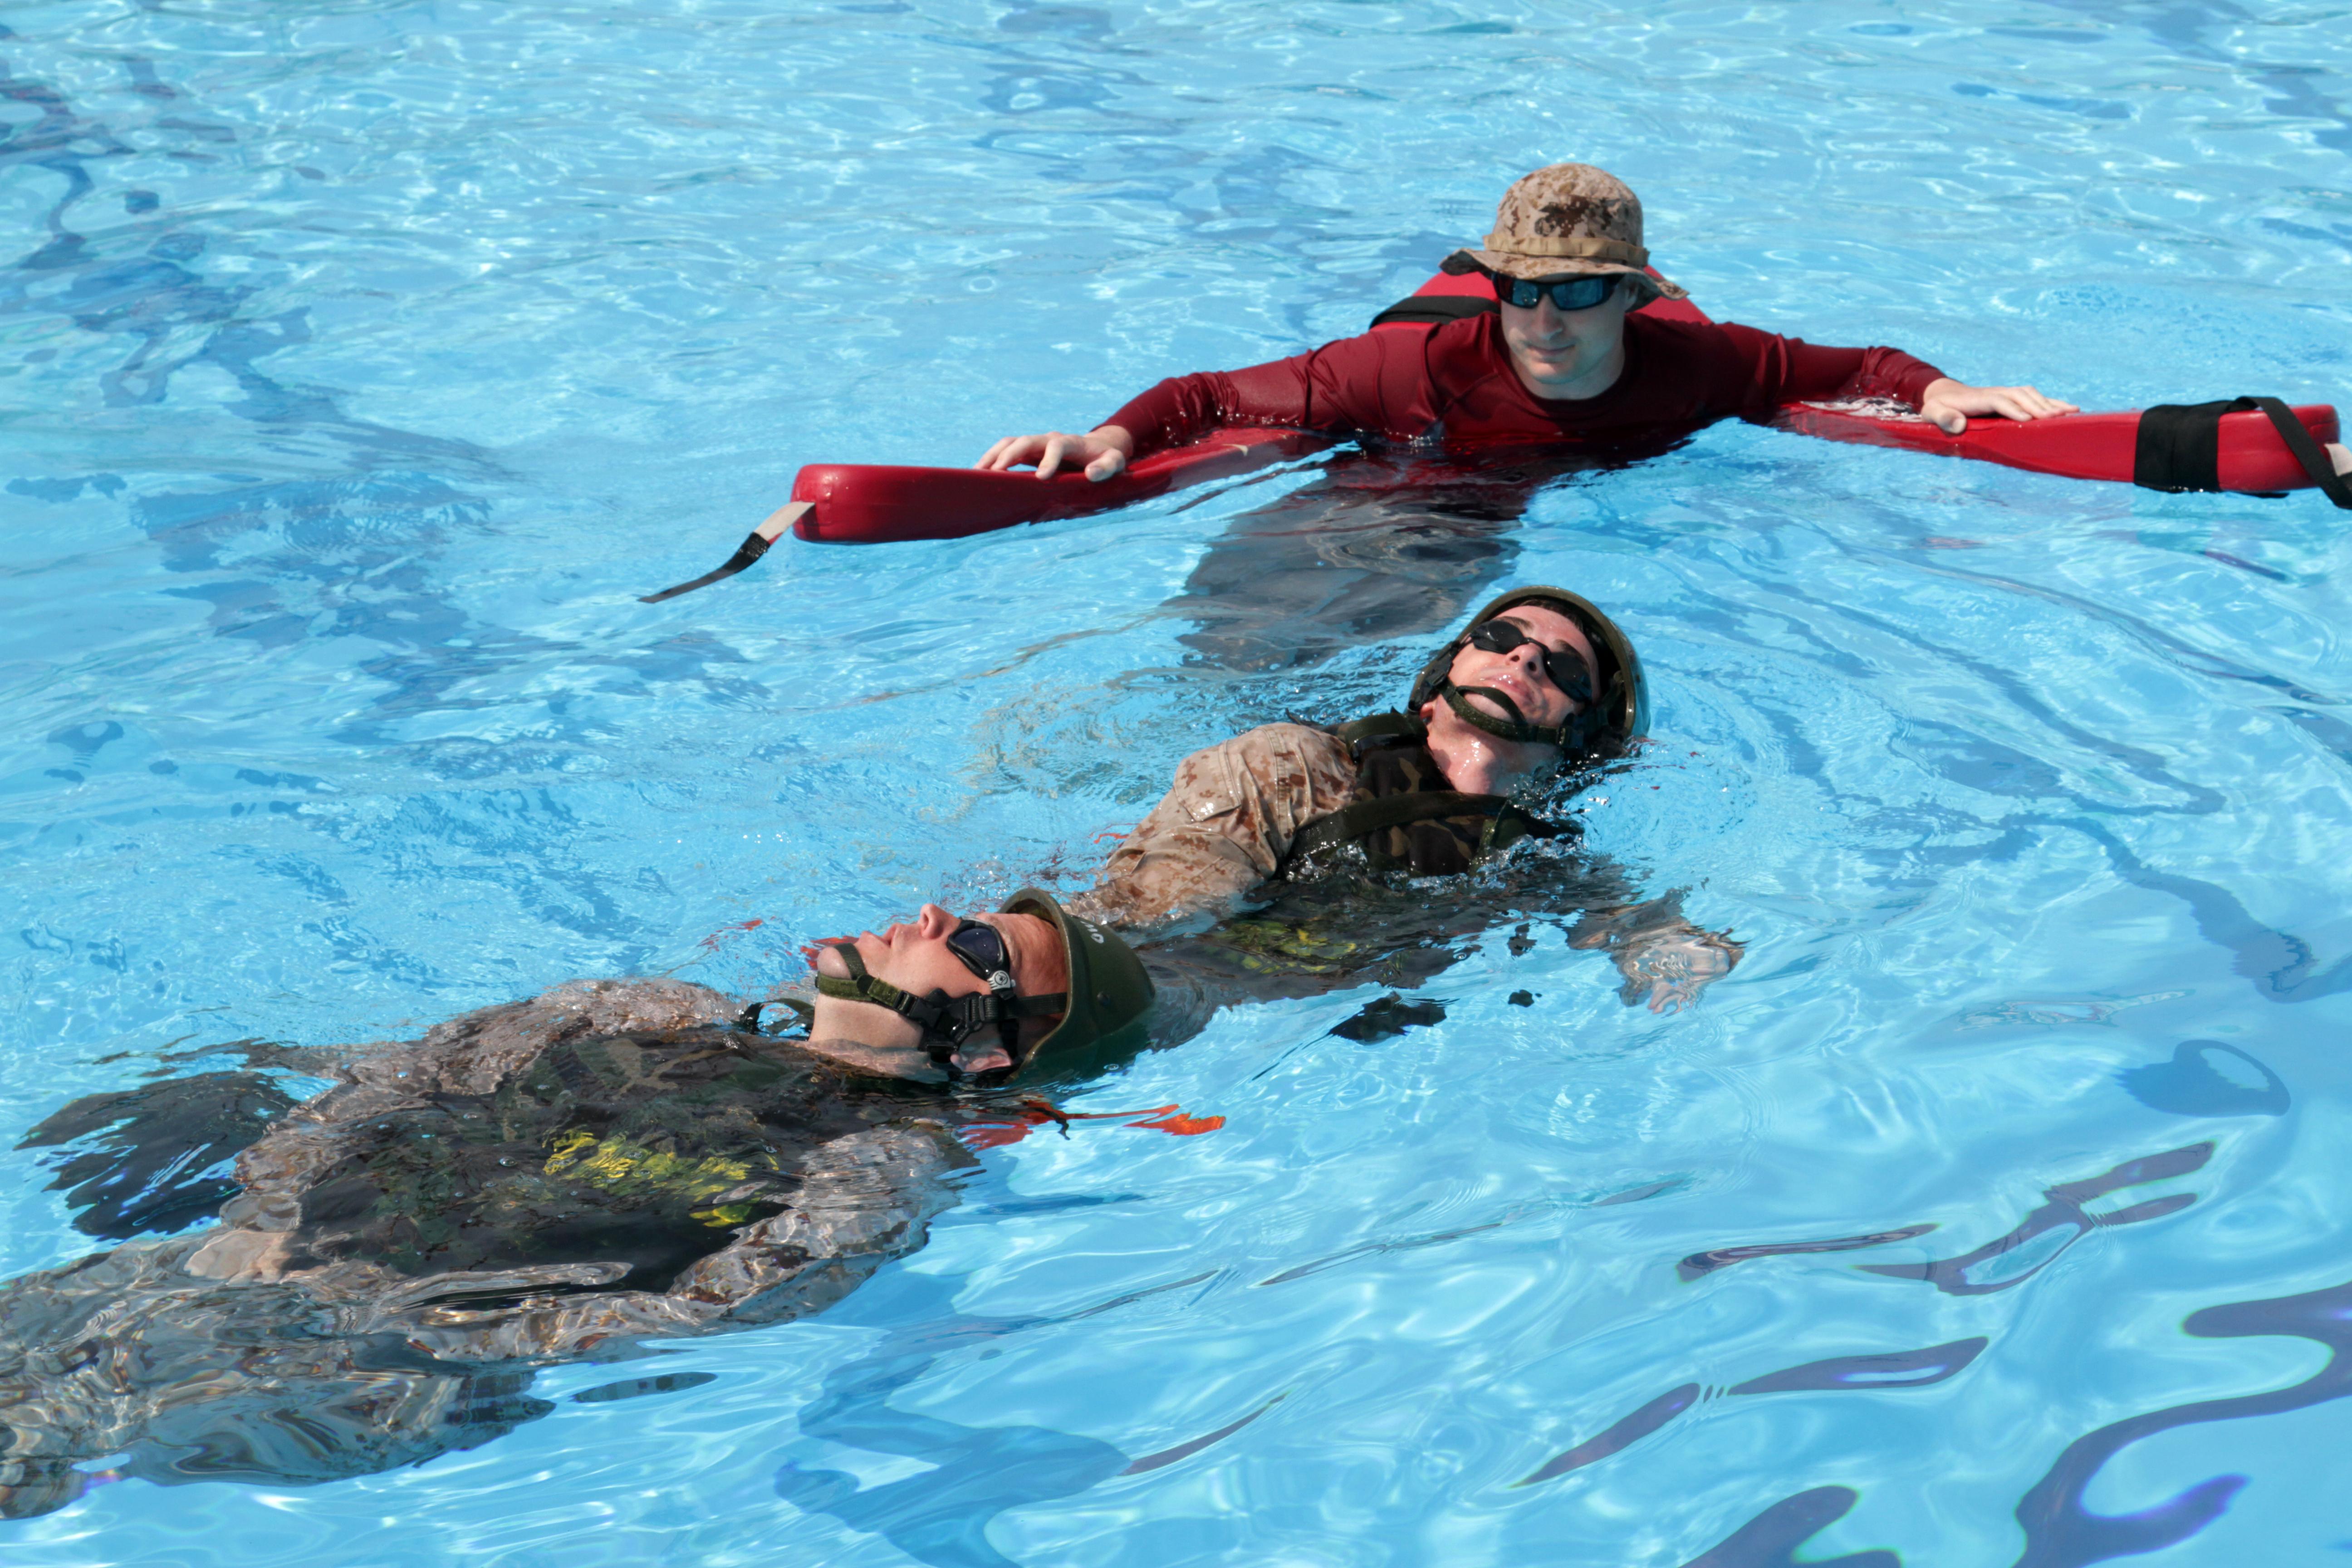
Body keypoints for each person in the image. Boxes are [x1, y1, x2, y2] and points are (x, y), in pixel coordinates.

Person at [0, 891, 1152, 1518]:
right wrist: (271, 1209)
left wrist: (447, 1339)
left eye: (980, 942)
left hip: (390, 1369)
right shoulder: (647, 1011)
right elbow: (408, 1073)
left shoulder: (882, 1164)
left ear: (992, 1050)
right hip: (238, 1264)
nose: (932, 916)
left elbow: (719, 1309)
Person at [976, 163, 2076, 483]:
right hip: (1439, 461)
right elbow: (1209, 397)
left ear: (1634, 297)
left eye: (1580, 290)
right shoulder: (1402, 371)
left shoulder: (1696, 360)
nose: (1544, 316)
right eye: (1523, 288)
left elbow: (1862, 364)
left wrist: (1936, 391)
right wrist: (1111, 438)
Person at [1068, 584, 1741, 1013]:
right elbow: (1141, 930)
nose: (1526, 660)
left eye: (1563, 668)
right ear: (1440, 679)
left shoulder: (1539, 863)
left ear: (1583, 741)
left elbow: (1644, 931)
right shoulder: (1292, 765)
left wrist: (1675, 953)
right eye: (1501, 639)